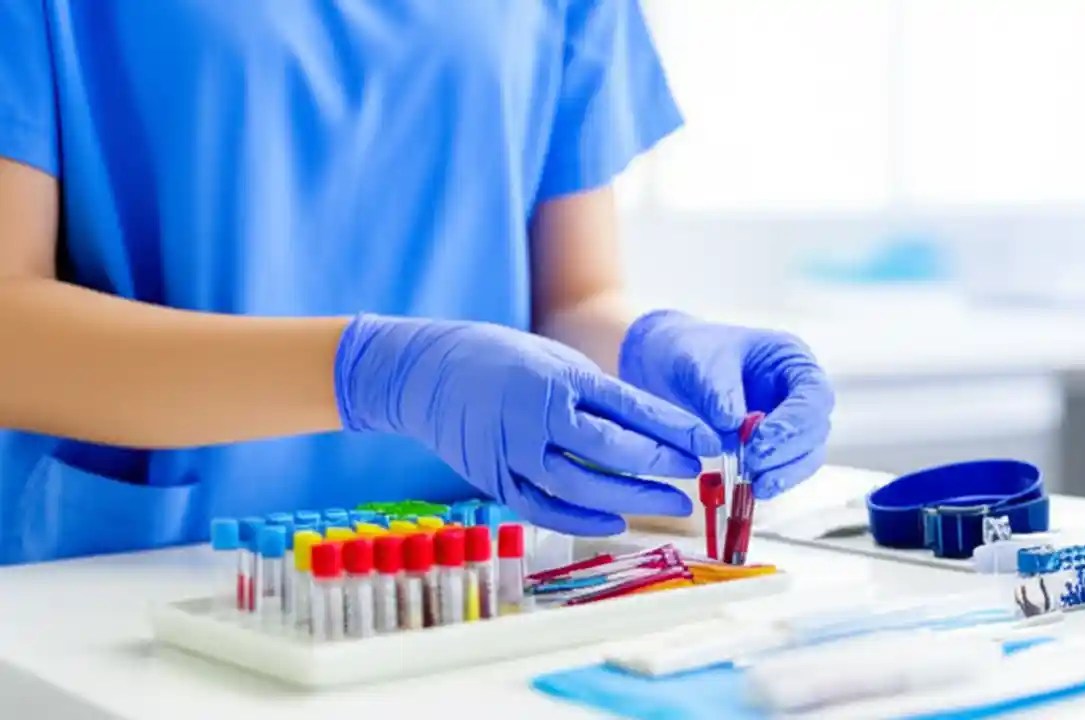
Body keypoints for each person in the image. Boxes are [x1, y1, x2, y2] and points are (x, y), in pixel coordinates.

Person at [0, 1, 834, 565]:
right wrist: (376, 371)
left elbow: (569, 303)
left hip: (466, 578)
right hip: (135, 585)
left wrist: (655, 354)